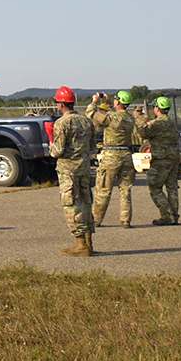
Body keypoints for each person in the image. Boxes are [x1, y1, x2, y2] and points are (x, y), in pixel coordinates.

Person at [48, 86, 96, 255]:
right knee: (86, 203)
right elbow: (92, 147)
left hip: (68, 170)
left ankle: (81, 244)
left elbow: (58, 151)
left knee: (72, 205)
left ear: (61, 104)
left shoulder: (62, 123)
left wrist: (51, 147)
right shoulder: (86, 121)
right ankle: (89, 243)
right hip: (84, 169)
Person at [91, 89, 139, 228]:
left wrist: (94, 102)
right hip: (126, 155)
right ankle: (125, 219)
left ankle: (96, 220)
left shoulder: (112, 118)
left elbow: (92, 115)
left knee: (104, 189)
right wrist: (109, 103)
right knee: (125, 190)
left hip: (111, 155)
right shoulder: (130, 118)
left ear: (117, 101)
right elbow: (117, 114)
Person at [138, 96, 181, 225]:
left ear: (157, 108)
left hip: (161, 160)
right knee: (172, 188)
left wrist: (145, 124)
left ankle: (167, 214)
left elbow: (141, 133)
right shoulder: (172, 123)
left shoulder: (156, 124)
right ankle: (174, 215)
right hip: (174, 159)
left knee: (154, 187)